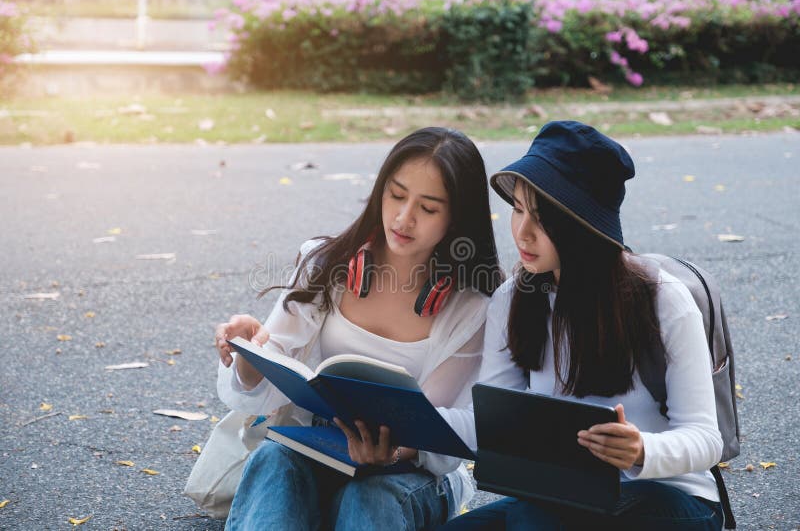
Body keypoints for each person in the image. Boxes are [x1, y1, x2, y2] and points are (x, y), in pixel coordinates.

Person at [438, 121, 725, 530]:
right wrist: (399, 427)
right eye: (517, 209)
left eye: (542, 218)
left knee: (537, 517)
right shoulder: (513, 298)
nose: (522, 232)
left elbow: (706, 439)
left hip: (670, 498)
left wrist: (641, 450)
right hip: (562, 495)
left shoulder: (662, 300)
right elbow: (489, 421)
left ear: (584, 223)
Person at [214, 127, 503, 530]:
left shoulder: (471, 308)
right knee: (273, 459)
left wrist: (395, 450)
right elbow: (265, 381)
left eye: (428, 208)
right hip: (316, 444)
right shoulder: (324, 263)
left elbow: (440, 429)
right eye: (396, 195)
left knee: (370, 495)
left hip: (409, 471)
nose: (404, 218)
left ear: (457, 218)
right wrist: (248, 351)